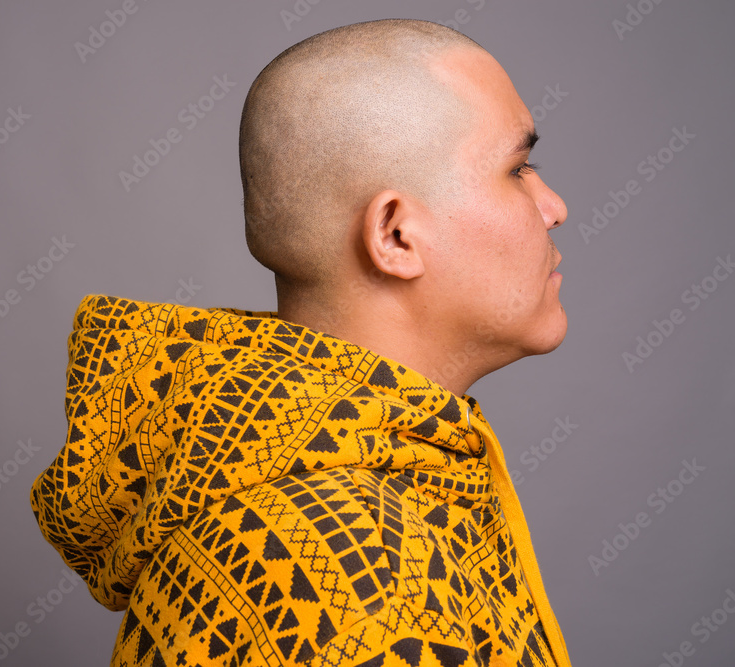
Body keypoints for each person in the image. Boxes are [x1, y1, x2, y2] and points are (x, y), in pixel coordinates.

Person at [30, 18, 572, 667]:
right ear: (396, 236)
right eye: (518, 168)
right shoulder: (340, 573)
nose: (554, 205)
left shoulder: (402, 483)